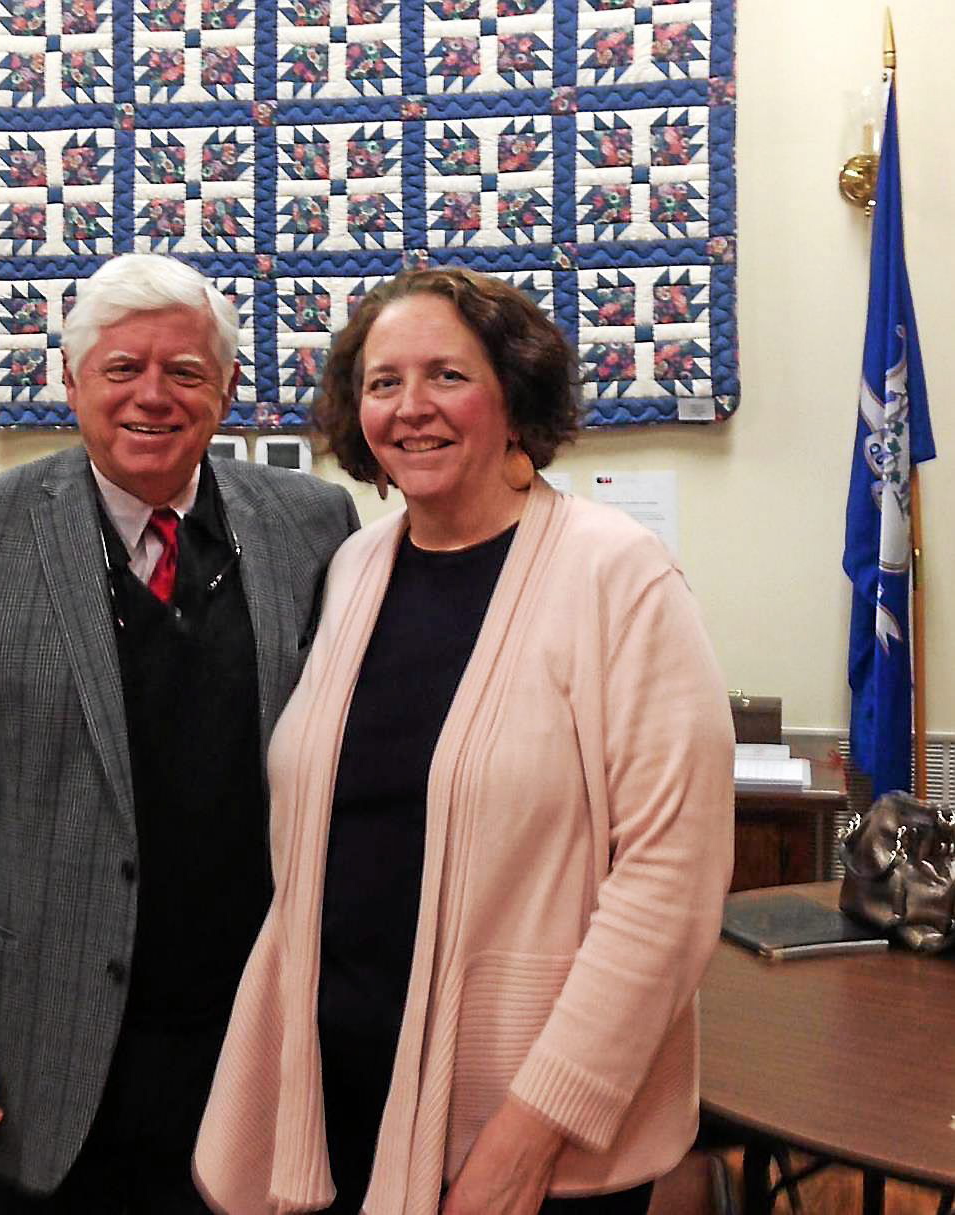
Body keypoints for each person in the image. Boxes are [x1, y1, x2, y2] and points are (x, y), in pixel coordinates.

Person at [194, 266, 734, 1215]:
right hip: (339, 1089)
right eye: (383, 382)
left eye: (447, 375)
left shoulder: (618, 573)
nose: (411, 409)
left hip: (526, 1118)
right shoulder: (356, 567)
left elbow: (670, 880)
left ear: (513, 398)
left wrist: (532, 1132)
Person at [0, 252, 358, 1213]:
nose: (152, 397)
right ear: (71, 381)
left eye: (185, 371)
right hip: (41, 1043)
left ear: (228, 390)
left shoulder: (314, 523)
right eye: (122, 368)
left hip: (258, 1029)